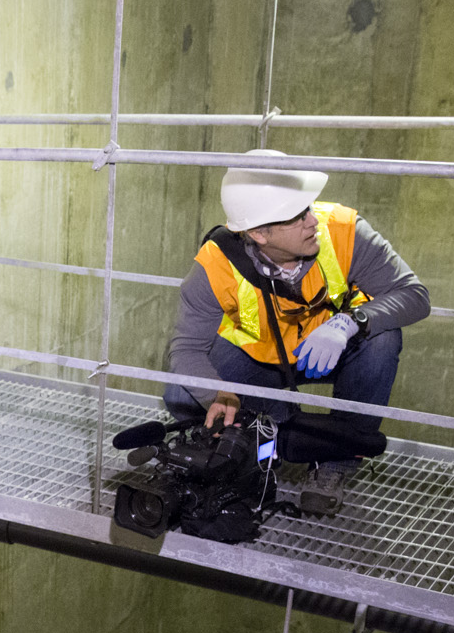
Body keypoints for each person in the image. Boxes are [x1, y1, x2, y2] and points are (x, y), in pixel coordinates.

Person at [164, 148, 430, 515]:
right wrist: (219, 396)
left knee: (383, 339)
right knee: (181, 392)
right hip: (258, 360)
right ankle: (257, 440)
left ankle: (333, 464)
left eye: (308, 208)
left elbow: (415, 296)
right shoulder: (214, 265)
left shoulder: (343, 231)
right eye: (296, 216)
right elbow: (187, 348)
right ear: (258, 233)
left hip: (325, 350)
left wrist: (350, 322)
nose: (312, 222)